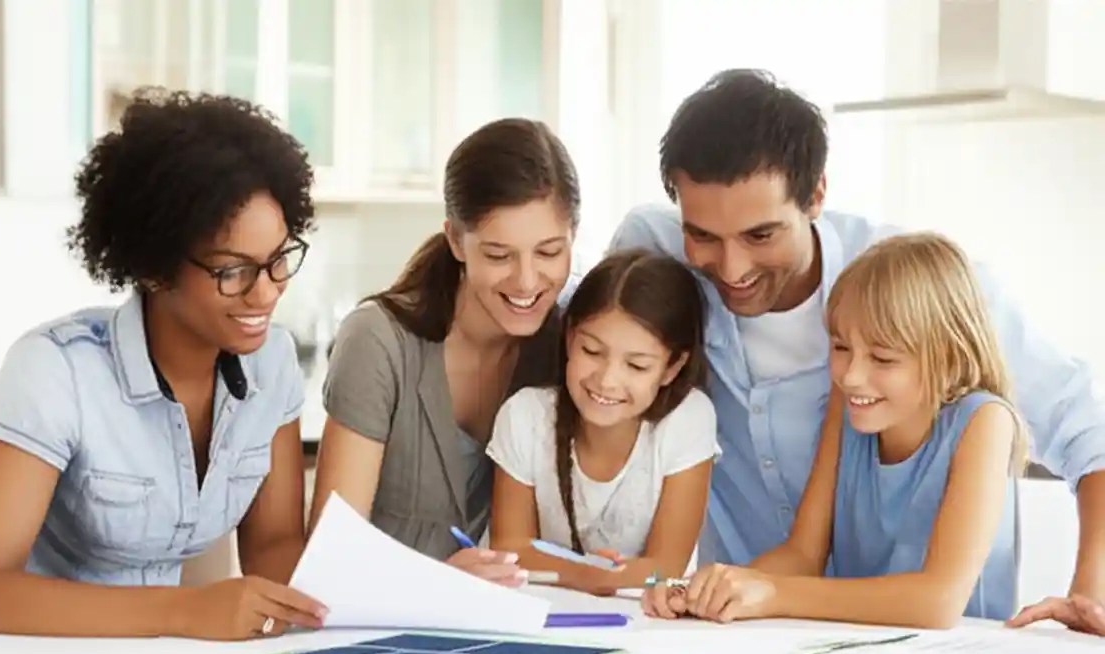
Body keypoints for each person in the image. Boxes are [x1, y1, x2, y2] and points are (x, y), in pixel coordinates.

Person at [609, 68, 1105, 610]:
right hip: (754, 627)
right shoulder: (653, 254)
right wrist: (694, 590)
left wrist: (1091, 596)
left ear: (816, 193)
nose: (731, 268)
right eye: (702, 235)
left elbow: (1087, 431)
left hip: (894, 640)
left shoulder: (915, 291)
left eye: (761, 235)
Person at [0, 89, 328, 640]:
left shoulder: (271, 364)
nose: (266, 293)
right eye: (234, 271)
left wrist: (377, 603)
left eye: (278, 261)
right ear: (155, 267)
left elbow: (273, 546)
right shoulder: (56, 371)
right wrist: (185, 611)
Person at [643, 233, 1024, 628]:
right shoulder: (849, 404)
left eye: (882, 357)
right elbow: (802, 554)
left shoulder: (985, 421)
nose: (853, 376)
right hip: (853, 651)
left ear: (948, 355)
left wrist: (773, 593)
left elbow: (937, 602)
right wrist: (710, 589)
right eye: (841, 348)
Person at [310, 118, 579, 584]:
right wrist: (440, 580)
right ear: (456, 239)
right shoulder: (378, 342)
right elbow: (330, 558)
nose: (528, 281)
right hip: (367, 630)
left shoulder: (569, 343)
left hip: (476, 625)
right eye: (499, 255)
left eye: (550, 252)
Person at [488, 249, 717, 596]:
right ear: (569, 339)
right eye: (592, 352)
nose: (607, 380)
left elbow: (667, 567)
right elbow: (510, 550)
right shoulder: (524, 416)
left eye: (637, 366)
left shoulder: (688, 419)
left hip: (647, 624)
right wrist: (586, 574)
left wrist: (602, 577)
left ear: (672, 367)